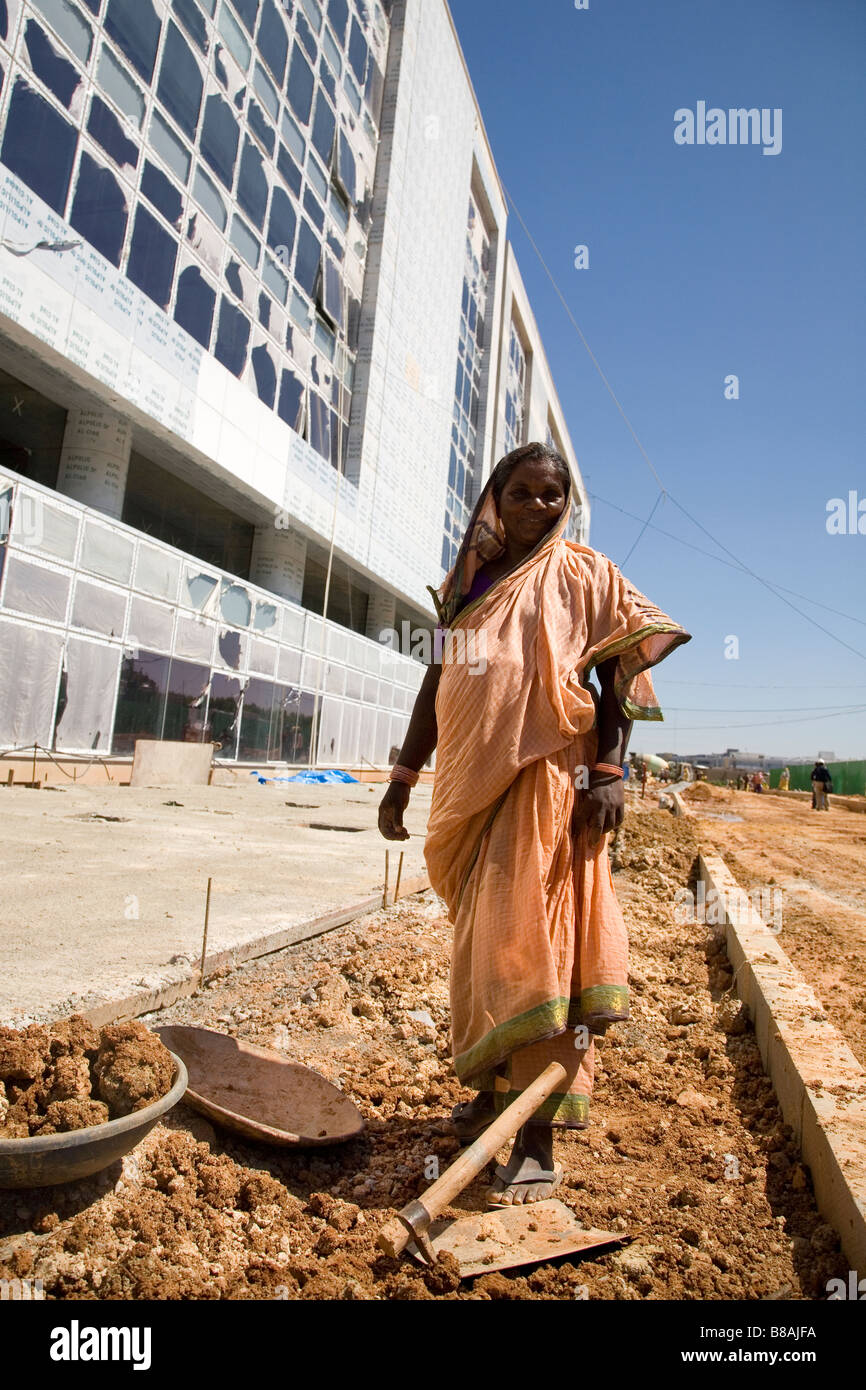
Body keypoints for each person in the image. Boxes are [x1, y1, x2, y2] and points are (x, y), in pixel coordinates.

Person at [378, 443, 691, 1206]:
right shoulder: (468, 582)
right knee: (486, 941)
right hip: (467, 792)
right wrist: (402, 777)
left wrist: (611, 771)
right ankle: (491, 1098)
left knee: (538, 945)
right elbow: (435, 680)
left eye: (555, 495)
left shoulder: (586, 575)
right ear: (496, 498)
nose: (541, 506)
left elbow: (618, 676)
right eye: (524, 492)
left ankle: (538, 1136)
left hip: (551, 783)